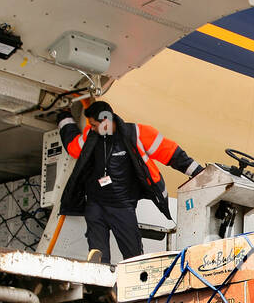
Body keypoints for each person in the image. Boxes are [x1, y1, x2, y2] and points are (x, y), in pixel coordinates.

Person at [57, 100, 203, 262]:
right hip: (95, 206)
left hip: (122, 207)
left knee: (134, 257)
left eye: (93, 125)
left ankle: (135, 279)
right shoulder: (90, 137)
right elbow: (72, 146)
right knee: (97, 256)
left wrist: (200, 174)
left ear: (105, 121)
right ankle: (99, 284)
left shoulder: (137, 134)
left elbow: (172, 154)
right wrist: (64, 116)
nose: (89, 128)